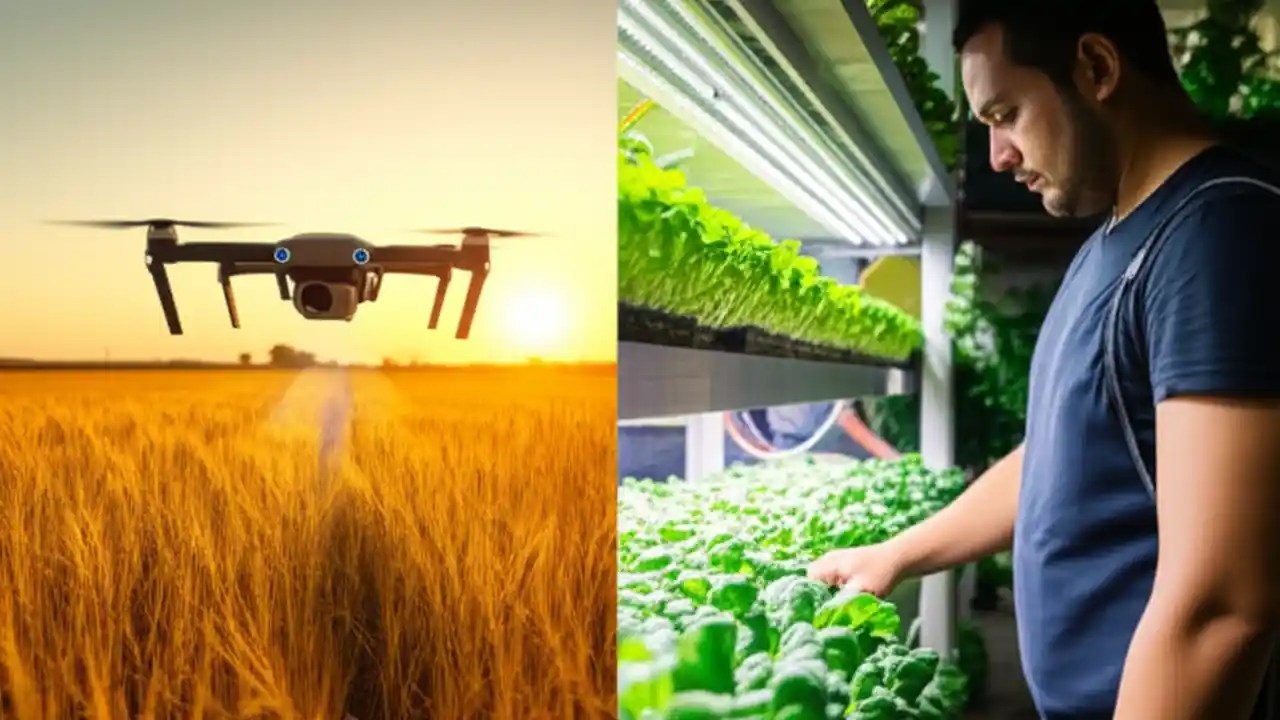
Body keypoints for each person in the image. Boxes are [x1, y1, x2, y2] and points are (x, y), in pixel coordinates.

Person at [807, 1, 1280, 718]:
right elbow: (1063, 450)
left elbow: (1225, 604)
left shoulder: (1218, 234)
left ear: (1097, 67)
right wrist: (897, 553)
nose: (997, 155)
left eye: (1006, 114)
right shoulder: (1117, 239)